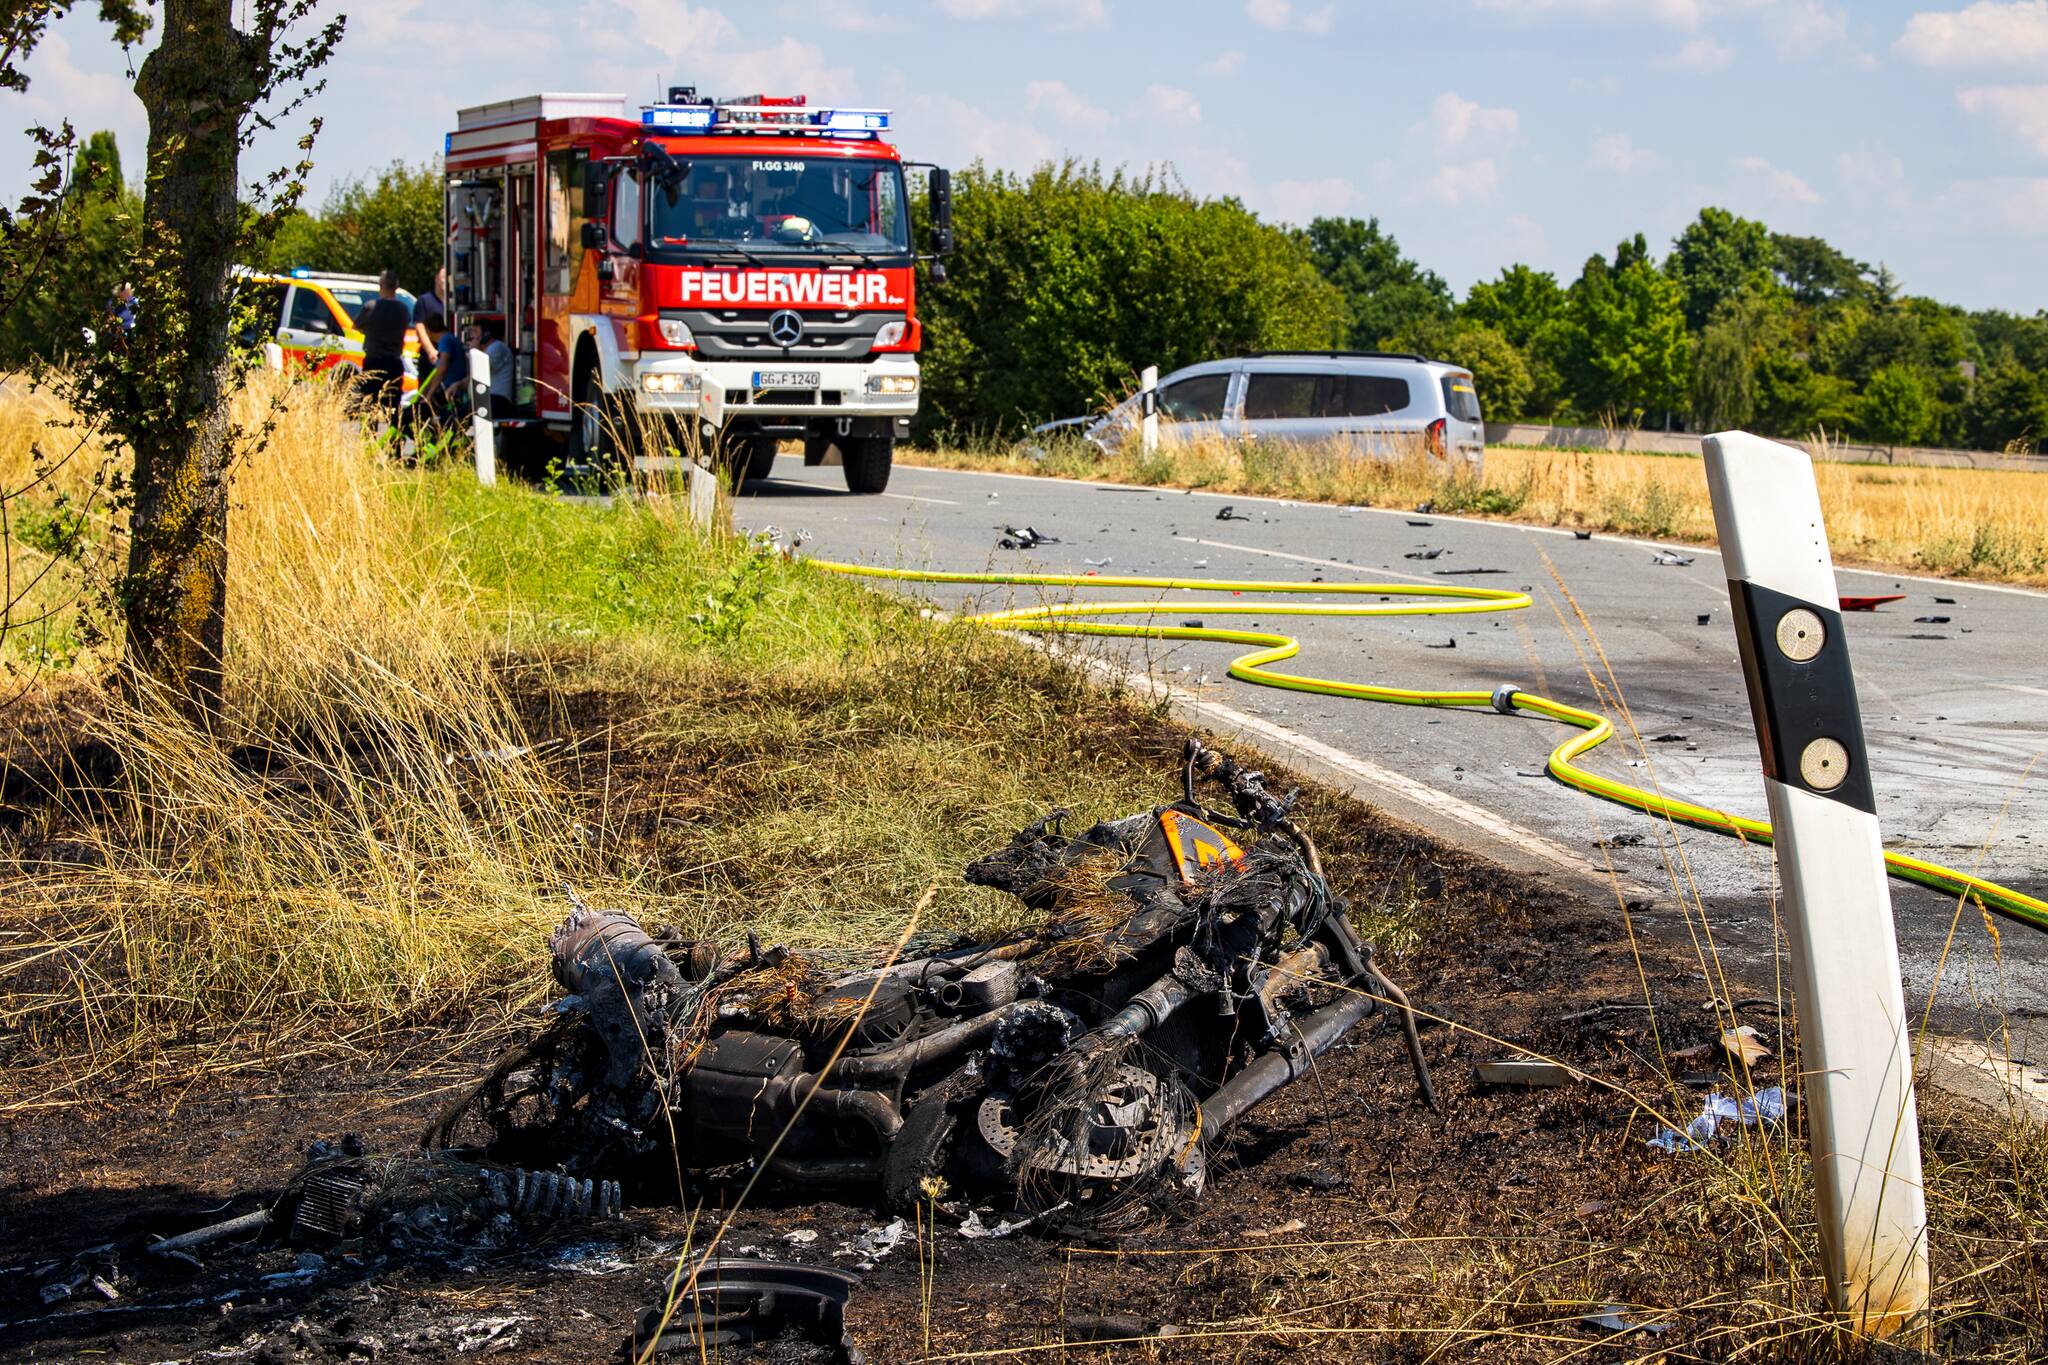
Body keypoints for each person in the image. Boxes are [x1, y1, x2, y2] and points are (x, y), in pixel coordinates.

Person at [352, 268, 411, 428]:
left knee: (369, 402)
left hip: (373, 361)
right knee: (393, 405)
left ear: (380, 285)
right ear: (396, 286)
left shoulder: (370, 307)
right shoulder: (403, 309)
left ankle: (369, 437)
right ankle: (395, 440)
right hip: (394, 362)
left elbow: (356, 326)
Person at [473, 318, 515, 419]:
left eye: (475, 332)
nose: (473, 336)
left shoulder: (497, 347)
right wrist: (458, 385)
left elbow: (482, 371)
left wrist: (475, 351)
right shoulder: (487, 350)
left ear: (486, 334)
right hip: (489, 397)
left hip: (498, 399)